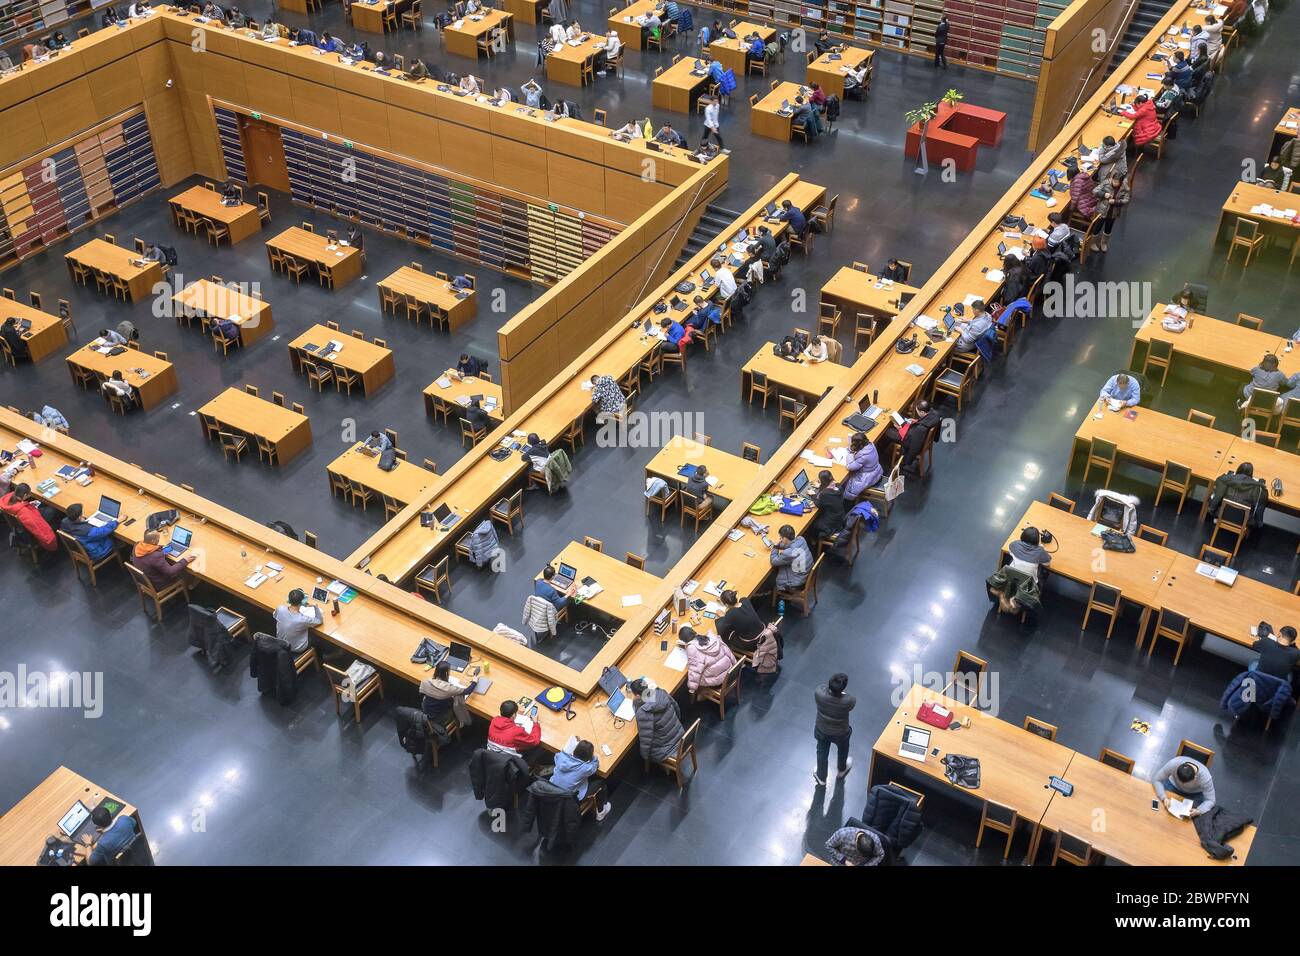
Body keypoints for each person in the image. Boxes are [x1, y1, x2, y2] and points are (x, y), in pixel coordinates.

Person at [550, 738, 611, 818]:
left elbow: (563, 752)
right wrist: (592, 757)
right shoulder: (585, 768)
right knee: (601, 783)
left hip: (552, 792)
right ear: (588, 757)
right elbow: (595, 765)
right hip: (569, 798)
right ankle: (601, 812)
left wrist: (577, 747)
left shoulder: (561, 757)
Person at [628, 677, 684, 763]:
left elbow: (646, 739)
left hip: (665, 750)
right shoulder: (661, 693)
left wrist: (644, 756)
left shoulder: (643, 712)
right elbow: (676, 708)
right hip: (679, 734)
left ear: (637, 696)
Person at [814, 672, 855, 785]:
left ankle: (821, 777)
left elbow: (822, 687)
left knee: (822, 751)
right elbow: (850, 702)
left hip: (822, 729)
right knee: (843, 749)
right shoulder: (849, 701)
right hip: (841, 732)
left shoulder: (819, 693)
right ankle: (841, 770)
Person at [1207, 462, 1268, 530]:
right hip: (1243, 521)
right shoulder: (1258, 488)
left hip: (1222, 514)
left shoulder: (1225, 480)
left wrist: (1211, 510)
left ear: (1238, 470)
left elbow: (1216, 498)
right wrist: (1259, 523)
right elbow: (1259, 509)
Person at [0, 482, 57, 552]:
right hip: (31, 527)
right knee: (53, 509)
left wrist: (27, 505)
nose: (30, 495)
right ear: (25, 495)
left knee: (46, 506)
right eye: (29, 494)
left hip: (20, 526)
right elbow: (37, 528)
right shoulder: (24, 512)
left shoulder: (7, 500)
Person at [419, 660, 473, 727]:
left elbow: (421, 694)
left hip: (426, 711)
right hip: (437, 719)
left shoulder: (427, 681)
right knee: (456, 703)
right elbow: (467, 691)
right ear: (446, 673)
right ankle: (462, 721)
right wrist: (475, 681)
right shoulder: (447, 688)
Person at [683, 625, 736, 693]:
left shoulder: (692, 648)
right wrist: (735, 665)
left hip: (716, 681)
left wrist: (692, 688)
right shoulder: (712, 638)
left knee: (689, 675)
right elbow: (728, 652)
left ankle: (700, 694)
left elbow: (695, 670)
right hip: (729, 673)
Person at [274, 588, 322, 654]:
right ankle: (321, 657)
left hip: (281, 643)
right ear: (302, 601)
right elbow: (319, 620)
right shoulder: (302, 619)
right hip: (296, 648)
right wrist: (315, 607)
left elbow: (275, 615)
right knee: (317, 638)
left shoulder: (280, 608)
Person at [1092, 171, 1130, 252]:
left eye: (1117, 182)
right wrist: (1103, 194)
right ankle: (1093, 243)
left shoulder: (1125, 188)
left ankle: (1104, 243)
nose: (1114, 183)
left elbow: (1126, 200)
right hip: (1102, 210)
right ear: (1112, 178)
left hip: (1113, 212)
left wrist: (1116, 201)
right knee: (1097, 227)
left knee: (1108, 228)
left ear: (1121, 182)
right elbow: (1094, 191)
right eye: (1113, 180)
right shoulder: (1106, 183)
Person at [717, 589, 764, 654]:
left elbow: (721, 629)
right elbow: (738, 603)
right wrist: (726, 601)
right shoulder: (745, 600)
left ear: (726, 605)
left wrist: (722, 617)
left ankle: (729, 651)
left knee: (725, 633)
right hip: (764, 633)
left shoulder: (731, 614)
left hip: (752, 644)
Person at [769, 524, 812, 593]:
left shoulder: (788, 553)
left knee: (770, 577)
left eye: (781, 538)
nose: (780, 539)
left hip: (796, 583)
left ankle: (768, 592)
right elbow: (790, 545)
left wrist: (775, 547)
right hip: (804, 574)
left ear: (785, 539)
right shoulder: (801, 539)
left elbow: (773, 561)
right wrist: (779, 544)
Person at [839, 431, 882, 499]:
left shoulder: (863, 456)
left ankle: (847, 501)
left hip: (867, 478)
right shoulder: (871, 446)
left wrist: (850, 455)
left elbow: (850, 467)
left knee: (846, 484)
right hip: (876, 472)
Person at [809, 470, 846, 540]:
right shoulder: (838, 486)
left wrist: (813, 495)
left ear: (823, 481)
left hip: (832, 523)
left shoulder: (825, 494)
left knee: (812, 524)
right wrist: (820, 486)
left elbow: (819, 504)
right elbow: (828, 489)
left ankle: (814, 540)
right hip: (840, 516)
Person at [1121, 93, 1161, 158]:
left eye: (1136, 104)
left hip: (1148, 131)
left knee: (1132, 132)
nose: (1136, 105)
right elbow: (1138, 109)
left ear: (1140, 103)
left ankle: (1134, 151)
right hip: (1154, 126)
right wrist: (1133, 106)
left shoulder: (1144, 109)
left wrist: (1122, 112)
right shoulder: (1149, 104)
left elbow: (1132, 116)